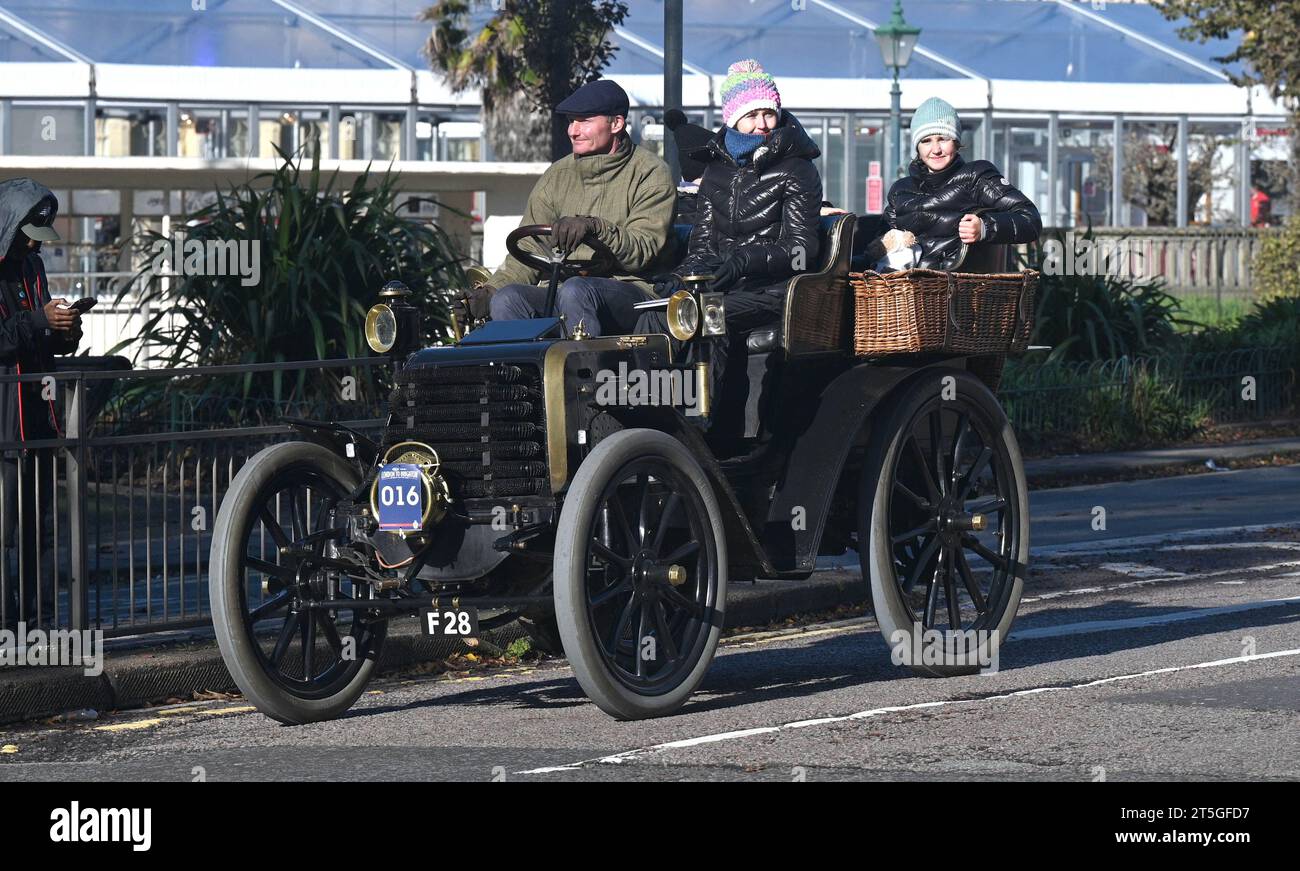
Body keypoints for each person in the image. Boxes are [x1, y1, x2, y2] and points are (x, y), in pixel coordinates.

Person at [638, 60, 822, 402]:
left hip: (775, 291)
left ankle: (706, 428)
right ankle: (651, 410)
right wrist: (682, 277)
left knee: (706, 317)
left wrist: (744, 261)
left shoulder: (798, 169)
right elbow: (703, 247)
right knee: (654, 313)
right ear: (733, 119)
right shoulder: (716, 173)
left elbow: (802, 251)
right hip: (724, 288)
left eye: (769, 114)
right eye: (752, 116)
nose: (762, 125)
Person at [461, 79, 676, 336]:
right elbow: (530, 250)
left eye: (584, 121)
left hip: (632, 292)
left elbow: (642, 250)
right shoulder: (558, 175)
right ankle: (522, 374)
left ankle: (583, 373)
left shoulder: (650, 172)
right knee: (508, 299)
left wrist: (594, 227)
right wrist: (490, 291)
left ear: (616, 123)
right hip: (563, 290)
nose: (573, 131)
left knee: (576, 290)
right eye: (571, 121)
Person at [0, 178, 82, 628]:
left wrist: (66, 330)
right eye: (28, 233)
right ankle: (5, 621)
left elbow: (38, 338)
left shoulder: (33, 267)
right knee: (3, 531)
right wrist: (37, 319)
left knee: (39, 528)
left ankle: (39, 619)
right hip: (4, 424)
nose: (34, 244)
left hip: (38, 419)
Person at [883, 96, 1041, 271]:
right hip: (903, 290)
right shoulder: (900, 190)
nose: (935, 149)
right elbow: (882, 240)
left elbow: (1030, 219)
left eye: (943, 139)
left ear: (956, 142)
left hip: (959, 287)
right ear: (917, 147)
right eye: (926, 141)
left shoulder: (976, 176)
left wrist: (985, 227)